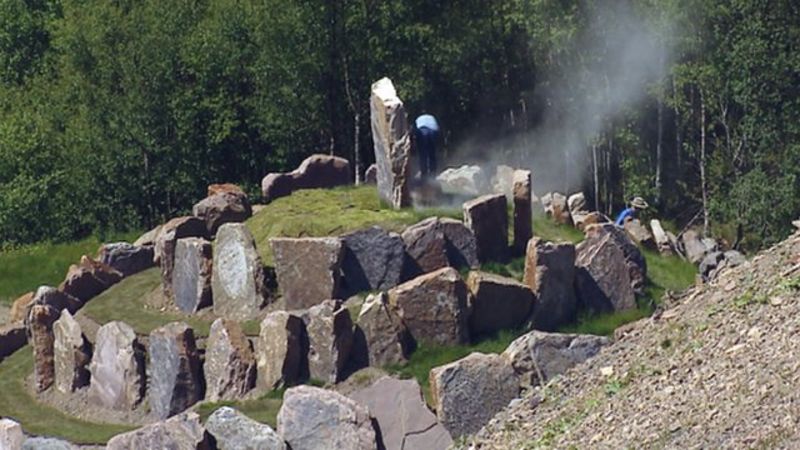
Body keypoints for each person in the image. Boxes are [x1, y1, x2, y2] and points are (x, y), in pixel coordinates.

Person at [414, 114, 440, 178]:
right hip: (433, 130)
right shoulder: (432, 118)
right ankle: (432, 173)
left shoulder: (418, 119)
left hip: (422, 130)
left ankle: (424, 173)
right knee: (432, 152)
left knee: (423, 153)